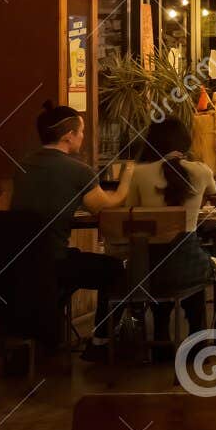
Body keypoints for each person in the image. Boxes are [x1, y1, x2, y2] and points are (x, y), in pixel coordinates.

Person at [10, 101, 137, 360]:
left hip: (18, 263)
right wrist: (127, 178)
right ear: (68, 136)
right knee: (116, 271)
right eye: (80, 132)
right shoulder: (77, 170)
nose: (82, 137)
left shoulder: (23, 166)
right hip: (54, 261)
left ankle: (41, 339)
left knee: (64, 272)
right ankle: (101, 342)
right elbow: (104, 207)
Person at [126, 119, 216, 350]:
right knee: (208, 265)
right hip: (188, 261)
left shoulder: (138, 174)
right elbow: (214, 197)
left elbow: (130, 212)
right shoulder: (201, 171)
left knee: (164, 270)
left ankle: (160, 339)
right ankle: (199, 341)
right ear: (185, 141)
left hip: (148, 265)